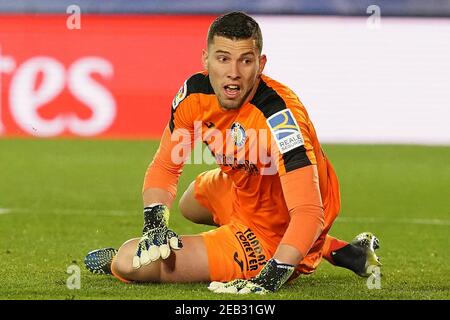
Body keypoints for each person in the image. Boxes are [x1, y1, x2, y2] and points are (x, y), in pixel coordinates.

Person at [84, 11, 381, 294]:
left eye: (245, 61)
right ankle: (337, 249)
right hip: (246, 189)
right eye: (223, 59)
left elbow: (308, 212)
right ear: (206, 59)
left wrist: (273, 273)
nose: (233, 74)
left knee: (128, 261)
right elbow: (165, 166)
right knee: (190, 203)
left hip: (277, 227)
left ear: (261, 64)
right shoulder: (194, 95)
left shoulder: (280, 119)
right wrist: (154, 226)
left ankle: (304, 248)